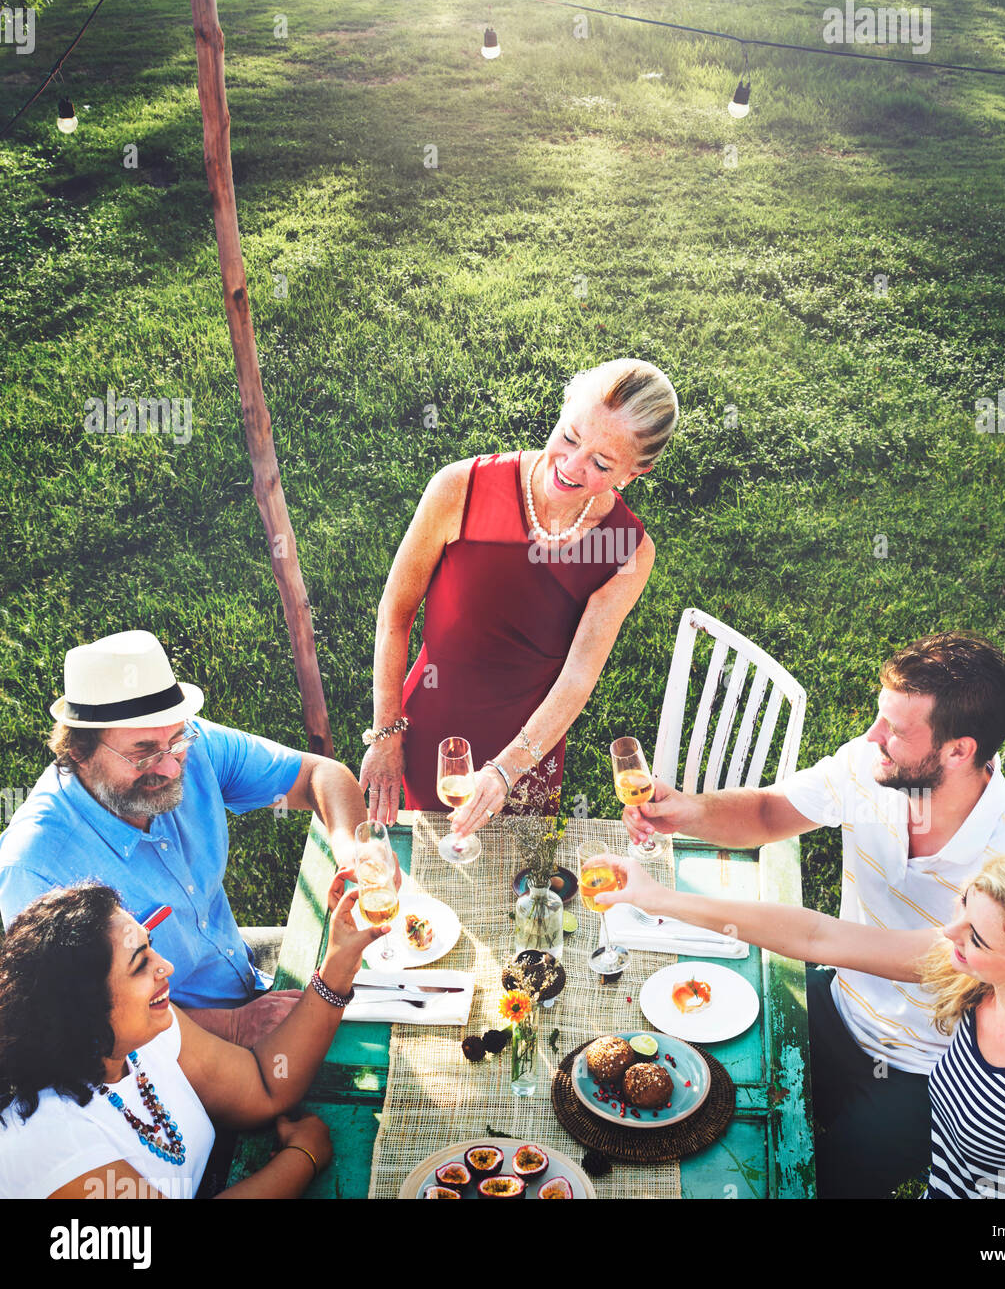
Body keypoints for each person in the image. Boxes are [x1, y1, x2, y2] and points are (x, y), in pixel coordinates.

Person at [621, 631, 1005, 1196]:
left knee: (805, 1185)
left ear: (958, 750)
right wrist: (687, 811)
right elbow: (770, 813)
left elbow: (819, 936)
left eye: (897, 730)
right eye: (881, 718)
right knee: (701, 1093)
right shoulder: (871, 764)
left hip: (929, 1072)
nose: (874, 737)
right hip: (835, 1001)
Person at [588, 849, 1005, 1199]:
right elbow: (819, 937)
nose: (949, 933)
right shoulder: (977, 977)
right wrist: (660, 895)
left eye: (977, 935)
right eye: (962, 908)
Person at [0, 630, 393, 1044]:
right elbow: (79, 1029)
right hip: (173, 1054)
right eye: (144, 754)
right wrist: (234, 1026)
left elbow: (322, 774)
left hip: (243, 973)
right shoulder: (34, 870)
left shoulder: (187, 743)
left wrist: (357, 853)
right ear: (78, 751)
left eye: (177, 742)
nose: (171, 768)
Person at [360, 358, 678, 838]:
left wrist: (507, 771)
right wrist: (387, 731)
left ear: (634, 473)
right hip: (434, 733)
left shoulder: (627, 550)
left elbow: (577, 678)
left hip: (532, 749)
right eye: (569, 437)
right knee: (432, 872)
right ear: (563, 409)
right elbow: (395, 612)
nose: (571, 467)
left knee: (518, 892)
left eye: (601, 464)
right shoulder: (458, 488)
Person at [0, 872, 388, 1198]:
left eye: (150, 947)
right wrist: (303, 1157)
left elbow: (267, 1083)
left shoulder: (139, 1034)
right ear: (83, 1011)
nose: (164, 966)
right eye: (140, 965)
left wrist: (337, 970)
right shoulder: (52, 1142)